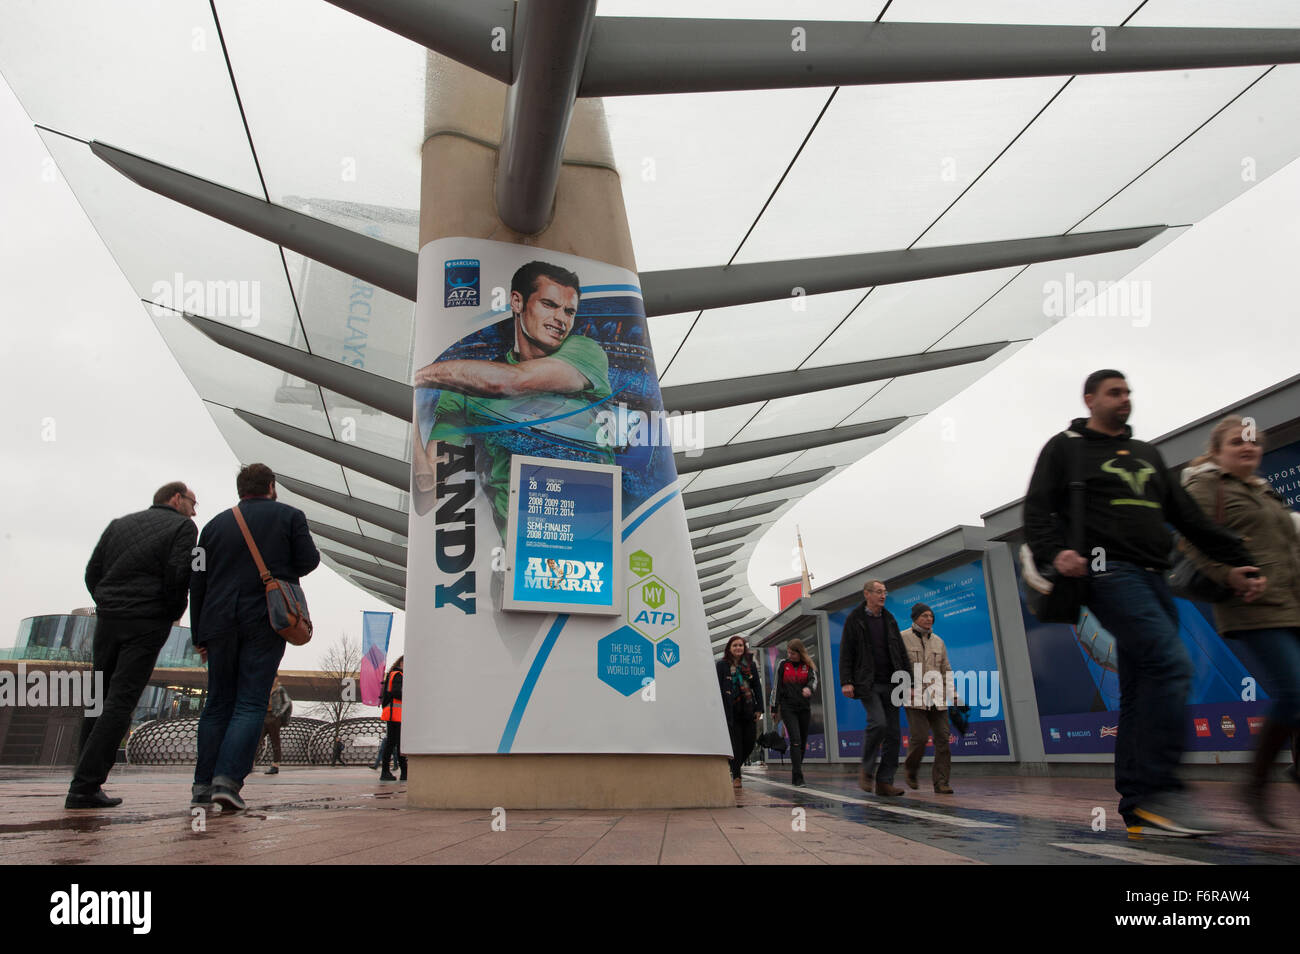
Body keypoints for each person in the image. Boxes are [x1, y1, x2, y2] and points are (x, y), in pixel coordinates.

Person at [1024, 370, 1265, 836]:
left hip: (1155, 578)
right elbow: (1036, 510)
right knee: (1171, 664)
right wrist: (1058, 552)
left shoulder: (1147, 454)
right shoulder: (1066, 448)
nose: (1125, 399)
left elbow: (1190, 521)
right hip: (1108, 571)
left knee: (1139, 686)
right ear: (1090, 398)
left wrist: (1239, 563)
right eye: (1115, 392)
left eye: (1128, 392)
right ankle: (1163, 793)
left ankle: (1140, 806)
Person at [413, 261, 614, 532]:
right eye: (549, 304)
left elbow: (512, 381)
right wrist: (411, 413)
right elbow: (427, 496)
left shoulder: (585, 351)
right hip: (518, 553)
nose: (561, 319)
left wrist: (423, 376)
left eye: (569, 311)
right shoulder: (464, 393)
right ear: (517, 302)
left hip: (591, 541)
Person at [1180, 414, 1300, 827]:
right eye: (1237, 442)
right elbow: (1190, 541)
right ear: (1216, 450)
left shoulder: (1265, 492)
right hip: (1252, 606)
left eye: (1253, 442)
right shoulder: (1205, 484)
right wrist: (1226, 574)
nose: (1248, 447)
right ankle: (1255, 784)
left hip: (1294, 604)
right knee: (1294, 691)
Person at [190, 463, 319, 812]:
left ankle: (201, 786)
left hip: (217, 622)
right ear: (271, 486)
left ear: (240, 489)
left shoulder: (212, 527)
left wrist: (198, 633)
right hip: (265, 618)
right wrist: (279, 569)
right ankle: (227, 782)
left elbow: (197, 579)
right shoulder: (291, 516)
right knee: (249, 702)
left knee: (217, 703)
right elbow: (308, 561)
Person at [66, 482, 198, 809]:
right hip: (147, 620)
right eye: (193, 502)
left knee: (98, 697)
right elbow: (178, 574)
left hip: (108, 620)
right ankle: (85, 786)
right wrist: (170, 611)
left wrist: (108, 602)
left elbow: (92, 572)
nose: (195, 510)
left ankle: (81, 782)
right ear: (176, 498)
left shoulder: (119, 524)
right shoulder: (184, 526)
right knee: (121, 700)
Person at [839, 580, 910, 796]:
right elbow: (846, 652)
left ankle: (885, 781)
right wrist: (846, 681)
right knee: (878, 723)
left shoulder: (889, 619)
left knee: (894, 734)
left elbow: (900, 650)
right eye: (879, 592)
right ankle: (867, 770)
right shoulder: (855, 619)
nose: (883, 595)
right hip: (867, 682)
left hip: (892, 682)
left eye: (885, 592)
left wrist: (910, 682)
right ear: (867, 594)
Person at [900, 603, 955, 794]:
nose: (929, 618)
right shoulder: (902, 638)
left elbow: (946, 670)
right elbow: (896, 666)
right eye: (924, 615)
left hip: (937, 697)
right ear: (915, 618)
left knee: (943, 739)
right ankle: (911, 769)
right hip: (914, 697)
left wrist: (952, 694)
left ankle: (941, 782)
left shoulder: (939, 641)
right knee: (920, 738)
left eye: (931, 616)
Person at [769, 638, 818, 787]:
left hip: (804, 708)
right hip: (787, 708)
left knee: (802, 742)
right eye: (789, 653)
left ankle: (797, 770)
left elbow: (814, 681)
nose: (790, 655)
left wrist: (809, 688)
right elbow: (777, 687)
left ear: (800, 653)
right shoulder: (783, 665)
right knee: (795, 740)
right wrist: (774, 707)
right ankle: (798, 776)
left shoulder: (808, 666)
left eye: (793, 653)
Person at [717, 636, 763, 789]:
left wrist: (759, 708)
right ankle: (736, 775)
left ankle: (733, 766)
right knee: (736, 745)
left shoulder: (750, 665)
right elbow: (717, 688)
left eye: (741, 645)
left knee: (749, 743)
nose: (738, 648)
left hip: (749, 709)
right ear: (729, 648)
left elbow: (757, 687)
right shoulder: (722, 665)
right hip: (732, 711)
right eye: (735, 645)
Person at [378, 657, 406, 782]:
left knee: (392, 742)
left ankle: (387, 771)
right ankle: (403, 772)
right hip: (395, 713)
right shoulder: (398, 675)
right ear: (401, 663)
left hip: (392, 712)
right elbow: (397, 692)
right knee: (397, 743)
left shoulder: (393, 674)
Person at [260, 678, 292, 774]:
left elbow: (287, 702)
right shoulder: (265, 687)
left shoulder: (280, 689)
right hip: (264, 716)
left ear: (277, 678)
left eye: (274, 677)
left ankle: (275, 765)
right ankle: (251, 763)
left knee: (275, 742)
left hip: (274, 717)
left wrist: (279, 713)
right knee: (257, 739)